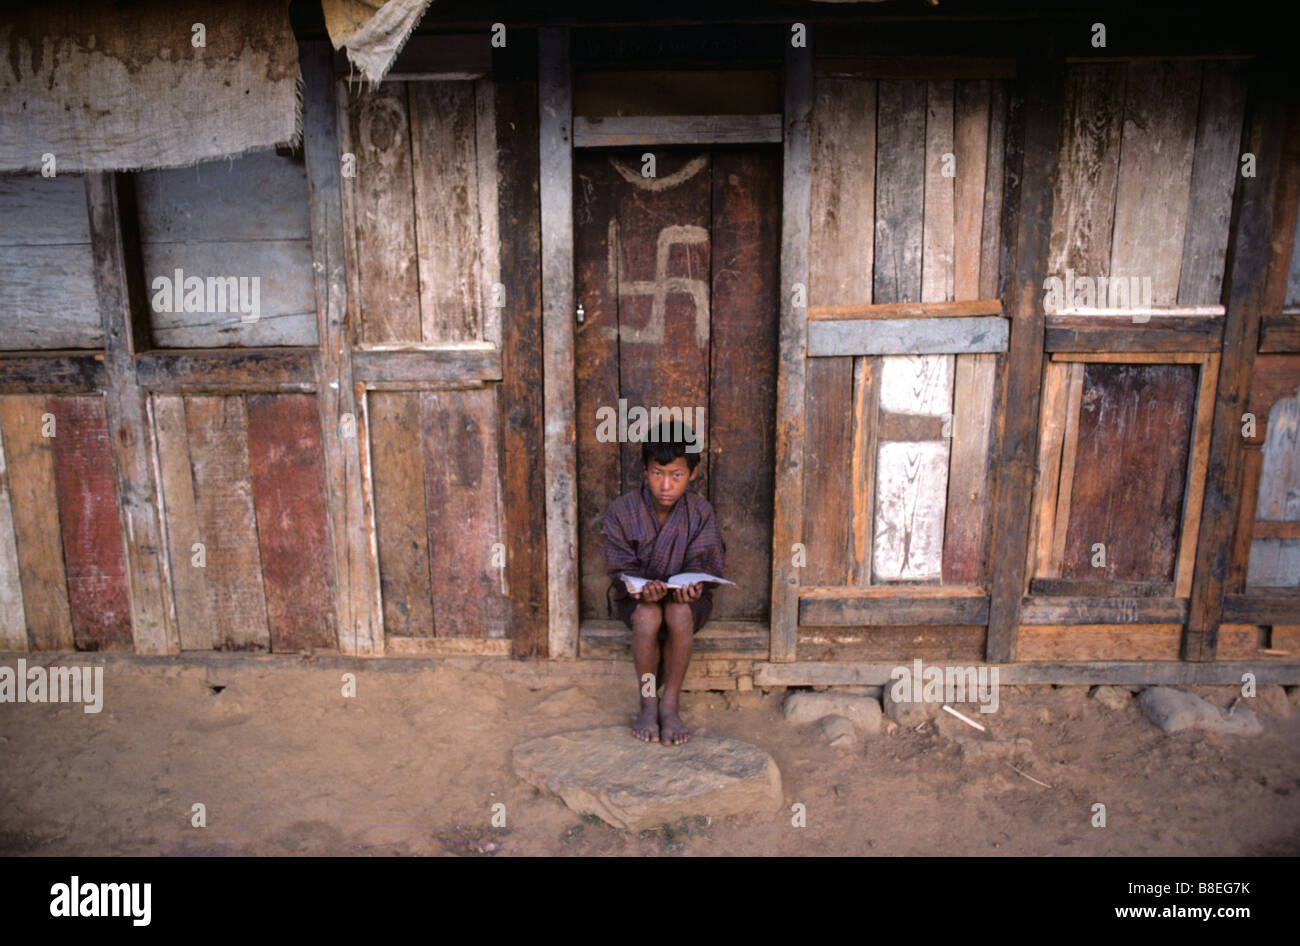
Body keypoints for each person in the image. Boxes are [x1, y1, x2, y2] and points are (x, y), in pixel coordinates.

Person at [601, 421, 725, 746]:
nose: (666, 485)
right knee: (647, 616)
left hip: (687, 600)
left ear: (693, 474)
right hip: (637, 598)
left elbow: (706, 563)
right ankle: (648, 702)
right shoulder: (622, 512)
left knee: (679, 613)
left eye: (676, 475)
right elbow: (618, 568)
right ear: (645, 470)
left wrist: (694, 585)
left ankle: (670, 704)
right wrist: (642, 589)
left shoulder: (699, 512)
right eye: (658, 473)